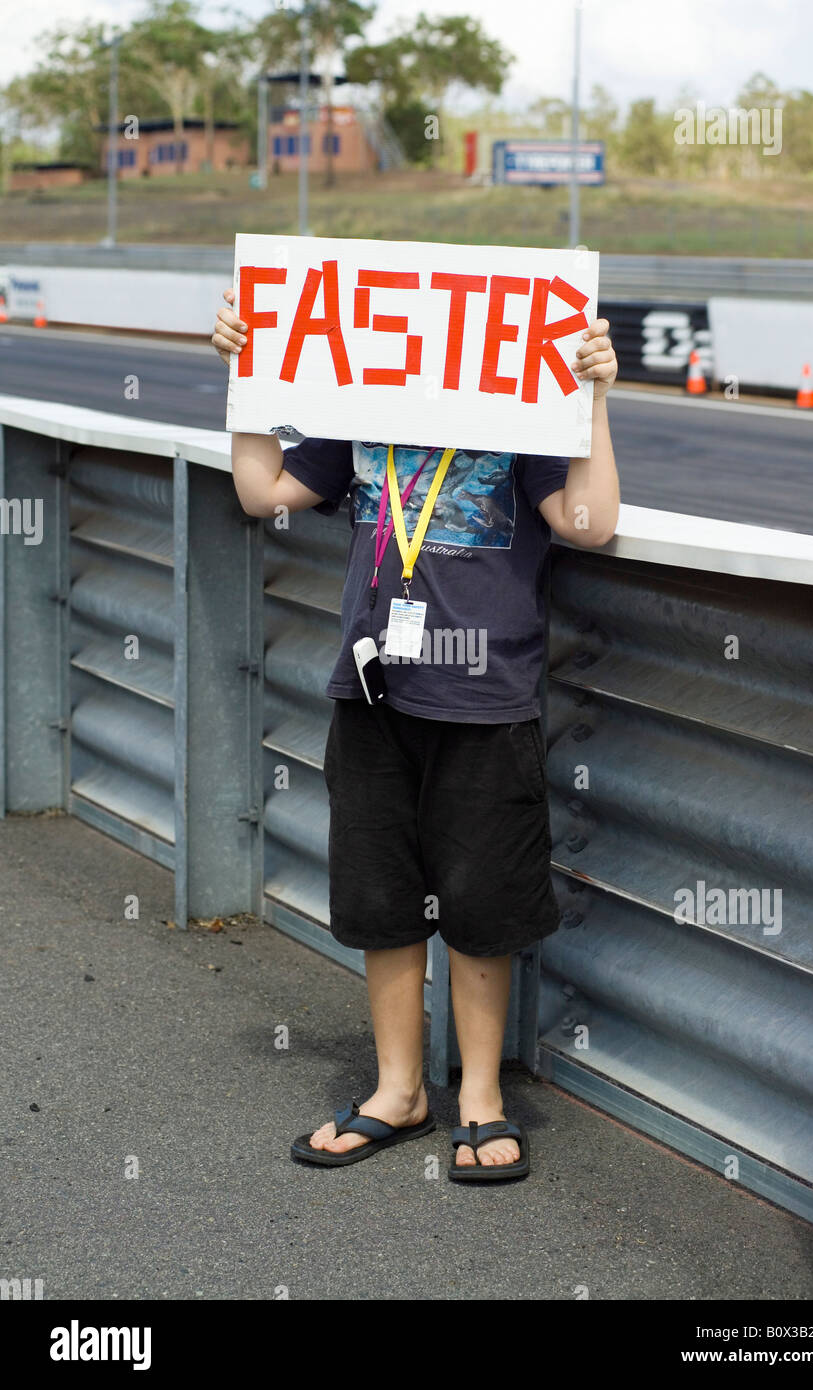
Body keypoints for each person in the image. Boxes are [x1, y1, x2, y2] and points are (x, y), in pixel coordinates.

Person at [212, 287, 620, 1181]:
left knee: (483, 900)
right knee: (380, 894)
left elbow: (589, 523)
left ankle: (480, 1097)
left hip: (486, 696)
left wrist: (593, 397)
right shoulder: (363, 408)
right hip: (372, 689)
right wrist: (245, 379)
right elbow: (259, 491)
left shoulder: (526, 413)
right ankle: (399, 1090)